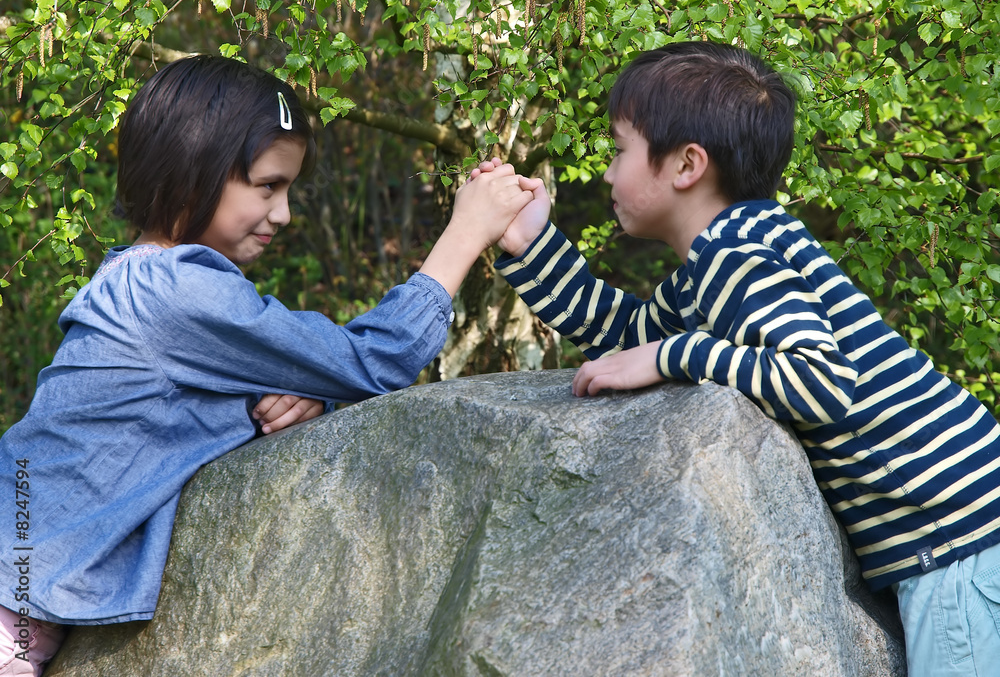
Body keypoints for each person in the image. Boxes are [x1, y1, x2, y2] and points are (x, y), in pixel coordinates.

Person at [0, 54, 539, 676]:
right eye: (266, 187)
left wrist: (314, 389)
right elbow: (373, 359)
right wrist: (465, 234)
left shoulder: (137, 278)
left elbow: (279, 382)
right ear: (191, 174)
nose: (283, 214)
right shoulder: (177, 291)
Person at [478, 41, 1000, 677]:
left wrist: (675, 354)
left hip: (960, 545)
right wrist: (531, 243)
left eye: (619, 151)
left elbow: (821, 380)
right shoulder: (732, 250)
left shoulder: (735, 258)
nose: (608, 174)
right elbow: (629, 336)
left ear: (686, 164)